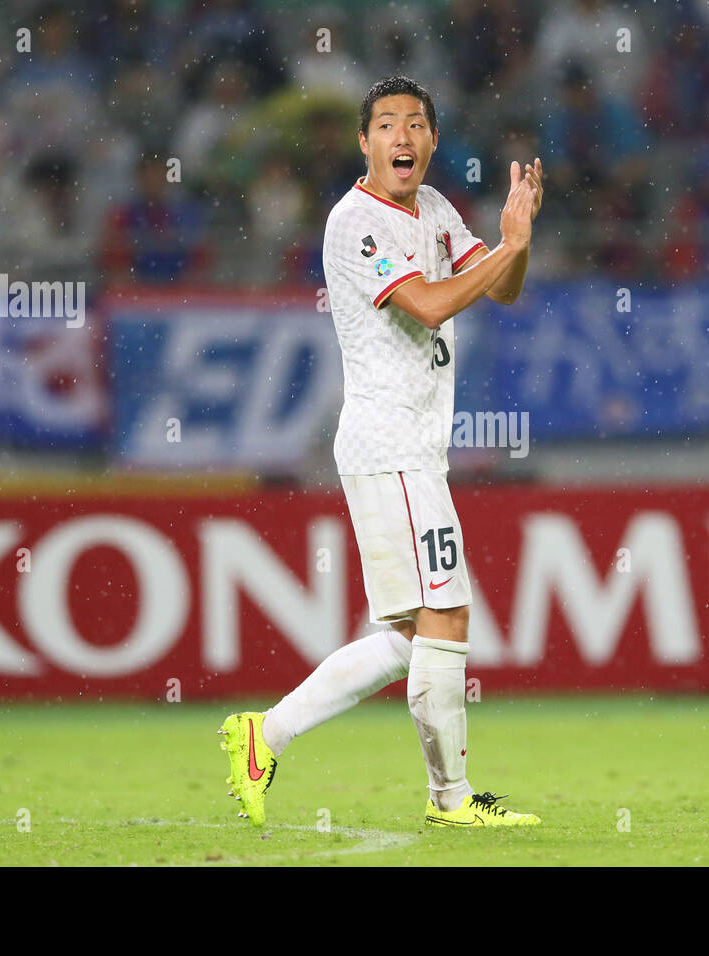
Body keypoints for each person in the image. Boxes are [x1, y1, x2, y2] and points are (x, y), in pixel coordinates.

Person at [219, 75, 543, 828]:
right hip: (391, 442)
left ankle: (262, 735)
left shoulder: (432, 209)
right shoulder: (353, 222)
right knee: (450, 613)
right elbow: (431, 303)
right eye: (387, 124)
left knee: (406, 637)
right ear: (364, 143)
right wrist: (509, 250)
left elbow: (502, 290)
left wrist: (512, 243)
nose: (403, 136)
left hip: (409, 450)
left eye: (417, 124)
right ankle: (451, 800)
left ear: (432, 141)